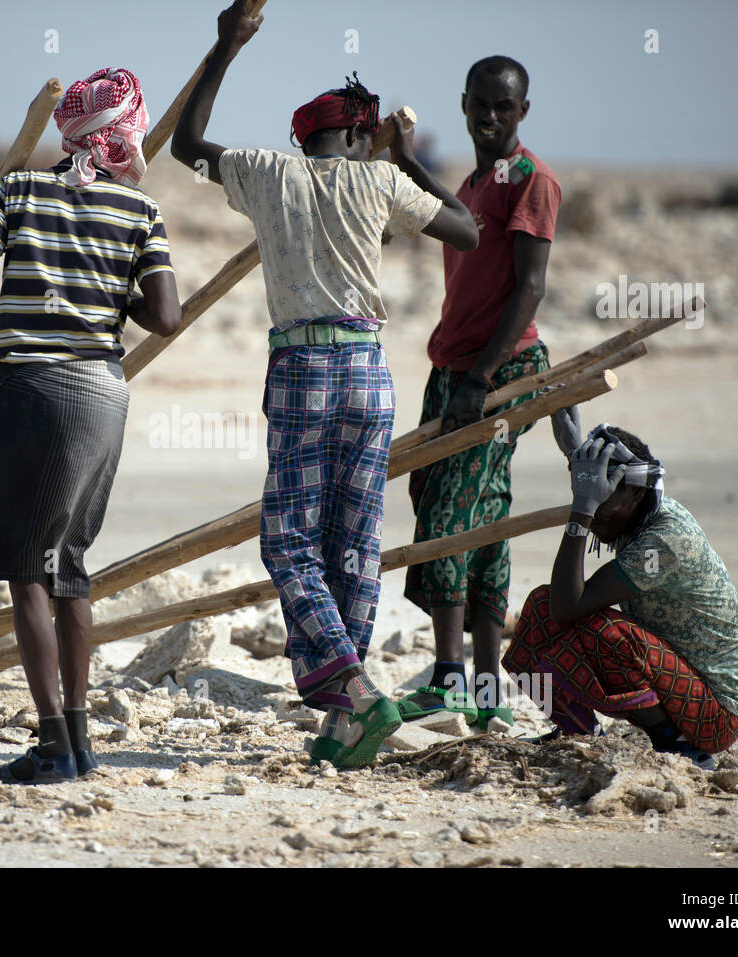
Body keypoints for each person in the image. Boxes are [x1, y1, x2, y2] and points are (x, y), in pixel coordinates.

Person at [171, 1, 478, 768]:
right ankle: (344, 722)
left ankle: (354, 687)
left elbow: (184, 144)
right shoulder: (380, 183)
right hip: (370, 373)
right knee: (355, 542)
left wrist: (226, 46)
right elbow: (468, 229)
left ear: (309, 138)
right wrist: (403, 156)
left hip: (305, 367)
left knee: (289, 539)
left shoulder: (272, 172)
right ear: (359, 136)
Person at [0, 67, 181, 784]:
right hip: (104, 394)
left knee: (25, 571)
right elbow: (166, 317)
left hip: (35, 390)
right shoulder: (140, 212)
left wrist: (18, 312)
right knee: (69, 568)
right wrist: (103, 303)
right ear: (128, 132)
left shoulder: (18, 189)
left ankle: (53, 744)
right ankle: (80, 743)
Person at [399, 55, 561, 731]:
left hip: (499, 371)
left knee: (450, 512)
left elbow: (529, 287)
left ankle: (446, 680)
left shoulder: (531, 180)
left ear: (522, 112)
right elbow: (443, 209)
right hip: (455, 368)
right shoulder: (474, 181)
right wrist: (401, 160)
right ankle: (488, 688)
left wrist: (478, 380)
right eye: (480, 105)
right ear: (464, 104)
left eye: (504, 106)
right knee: (482, 512)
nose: (489, 117)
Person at [502, 416, 738, 770]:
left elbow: (568, 606)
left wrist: (583, 508)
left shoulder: (663, 540)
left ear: (635, 492)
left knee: (606, 633)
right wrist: (576, 459)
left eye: (604, 497)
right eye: (592, 493)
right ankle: (576, 730)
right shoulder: (634, 510)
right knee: (539, 607)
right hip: (674, 680)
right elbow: (554, 606)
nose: (597, 509)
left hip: (715, 714)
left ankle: (674, 742)